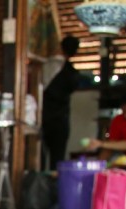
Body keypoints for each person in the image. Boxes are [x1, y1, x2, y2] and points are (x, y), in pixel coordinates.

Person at [42, 35, 81, 170]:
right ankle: (54, 188)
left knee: (39, 156)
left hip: (42, 116)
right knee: (57, 158)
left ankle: (38, 186)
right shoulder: (73, 73)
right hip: (60, 119)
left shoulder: (45, 65)